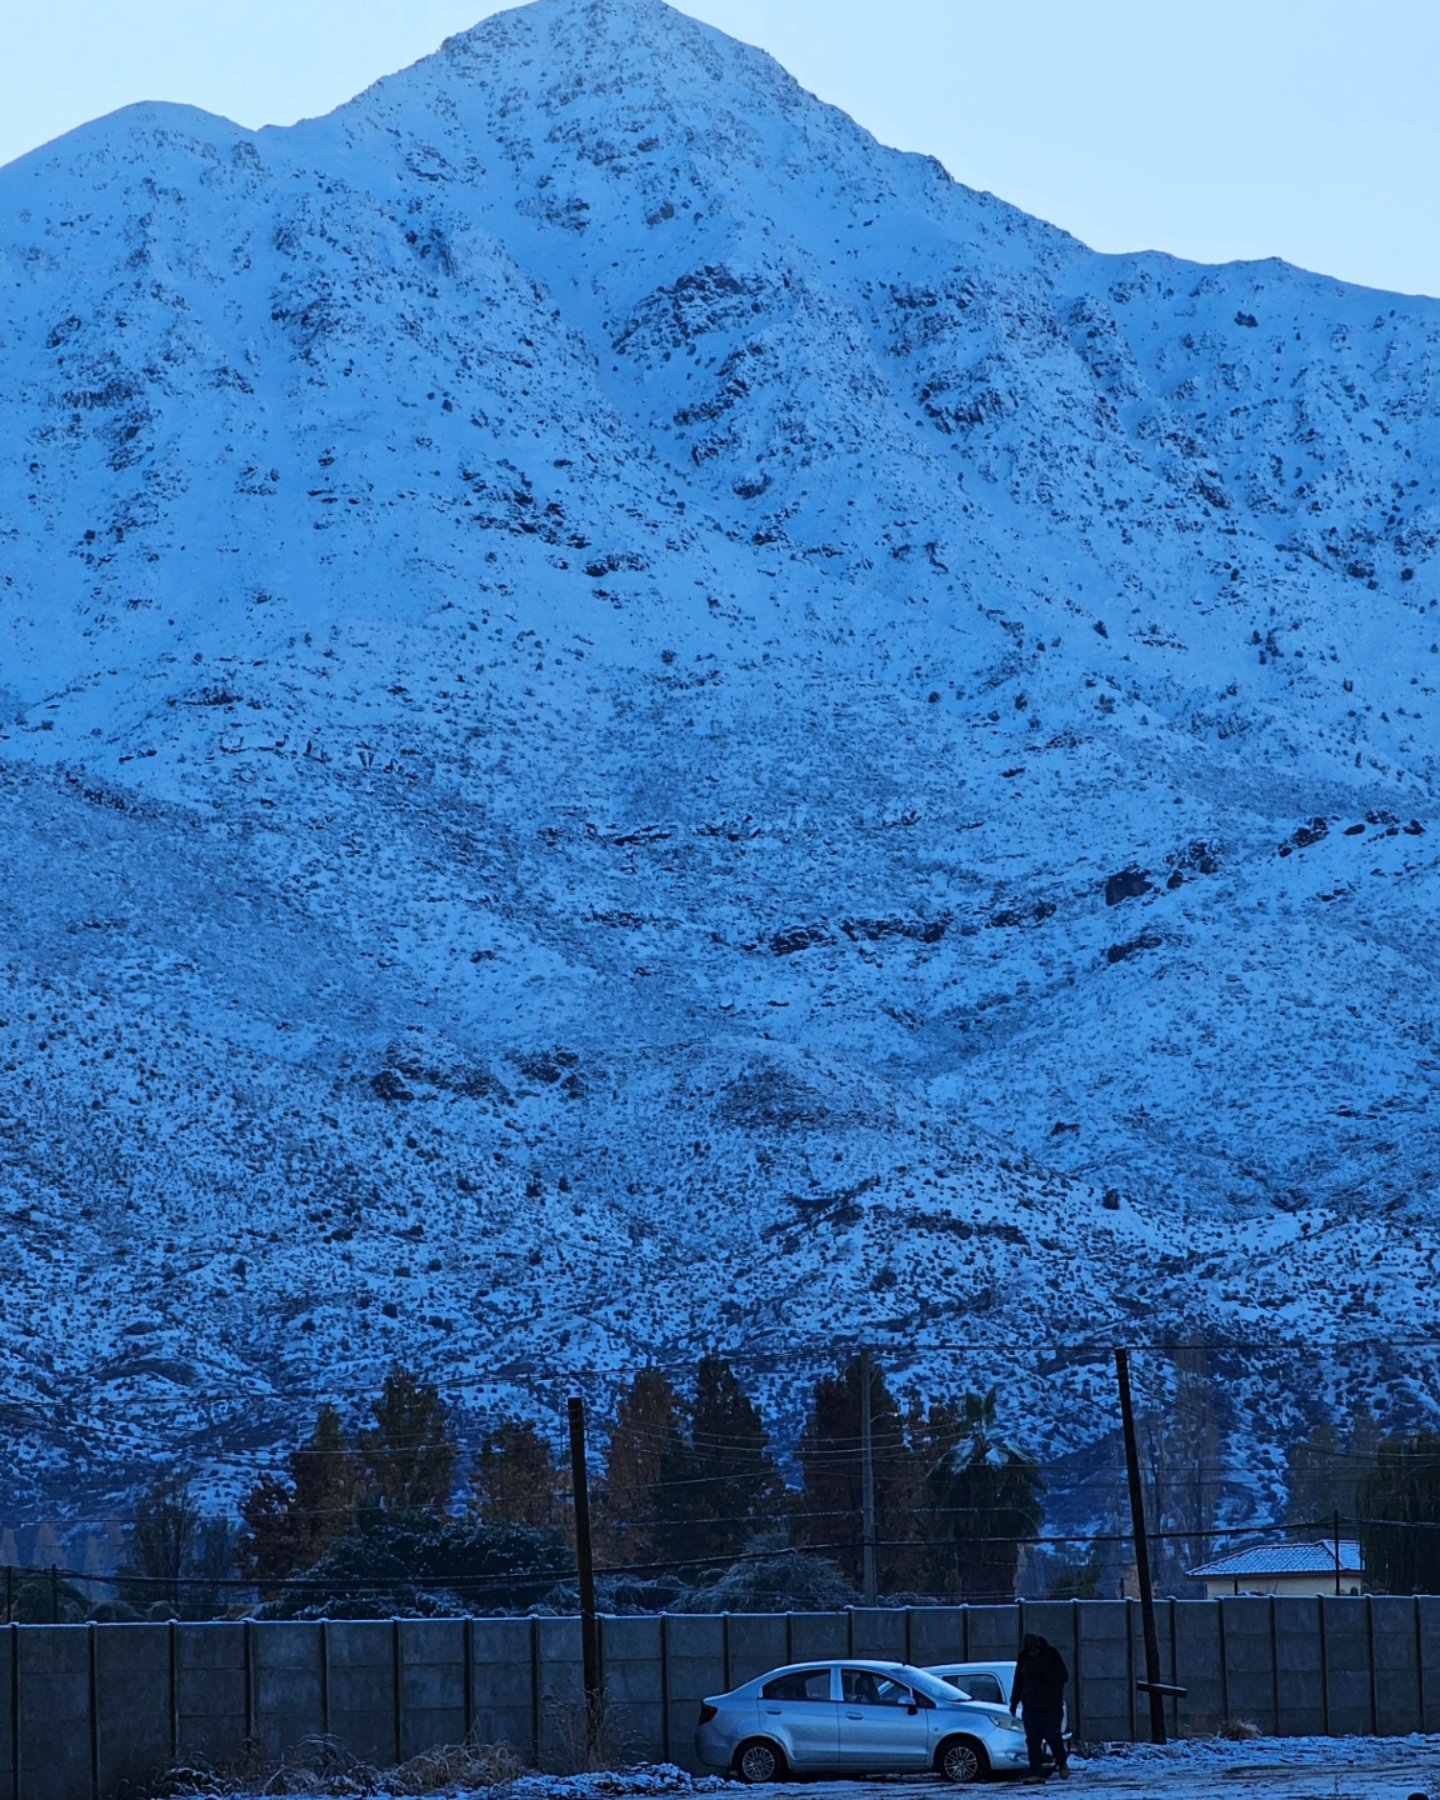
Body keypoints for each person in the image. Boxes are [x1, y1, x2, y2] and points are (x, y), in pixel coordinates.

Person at [1010, 1632, 1070, 1782]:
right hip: (1030, 1707)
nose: (1032, 1653)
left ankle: (1062, 1764)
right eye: (1030, 1651)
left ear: (1039, 1647)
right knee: (1033, 1742)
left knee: (1054, 1739)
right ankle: (1036, 1772)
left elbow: (1063, 1676)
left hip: (1050, 1707)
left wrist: (1044, 1675)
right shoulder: (1023, 1658)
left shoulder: (1051, 1654)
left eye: (1034, 1650)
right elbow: (1018, 1680)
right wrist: (1014, 1701)